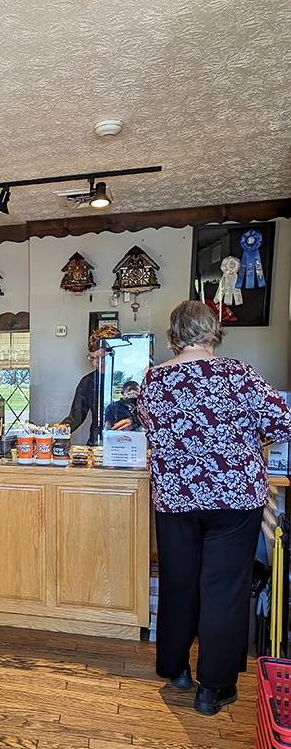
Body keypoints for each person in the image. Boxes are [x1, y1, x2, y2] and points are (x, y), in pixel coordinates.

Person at [137, 300, 291, 715]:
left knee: (178, 581)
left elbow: (151, 430)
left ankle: (176, 669)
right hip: (234, 496)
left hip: (175, 498)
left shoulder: (152, 380)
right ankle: (213, 690)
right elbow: (283, 423)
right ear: (212, 333)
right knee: (224, 589)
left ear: (173, 337)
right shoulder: (238, 373)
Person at [61, 325, 121, 445]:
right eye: (92, 358)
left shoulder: (133, 379)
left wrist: (132, 421)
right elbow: (75, 418)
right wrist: (56, 431)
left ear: (115, 353)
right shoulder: (88, 382)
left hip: (130, 446)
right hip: (98, 445)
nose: (96, 364)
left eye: (101, 358)